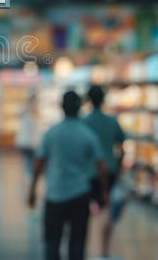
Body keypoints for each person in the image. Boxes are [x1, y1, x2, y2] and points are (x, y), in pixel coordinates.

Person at [28, 91, 108, 260]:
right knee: (77, 242)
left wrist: (32, 189)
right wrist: (104, 191)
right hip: (80, 194)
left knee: (52, 242)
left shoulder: (51, 133)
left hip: (55, 194)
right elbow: (101, 165)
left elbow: (39, 163)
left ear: (61, 107)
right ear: (80, 108)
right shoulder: (87, 134)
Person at [84, 85, 127, 259]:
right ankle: (104, 251)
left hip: (89, 172)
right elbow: (122, 147)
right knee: (107, 209)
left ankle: (91, 248)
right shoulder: (112, 121)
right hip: (109, 171)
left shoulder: (84, 122)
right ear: (103, 100)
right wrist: (118, 166)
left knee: (89, 209)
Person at [15, 93, 38, 186]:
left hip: (26, 142)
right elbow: (30, 133)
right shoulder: (29, 117)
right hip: (28, 143)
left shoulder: (27, 116)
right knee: (29, 161)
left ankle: (29, 178)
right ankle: (30, 179)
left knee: (28, 161)